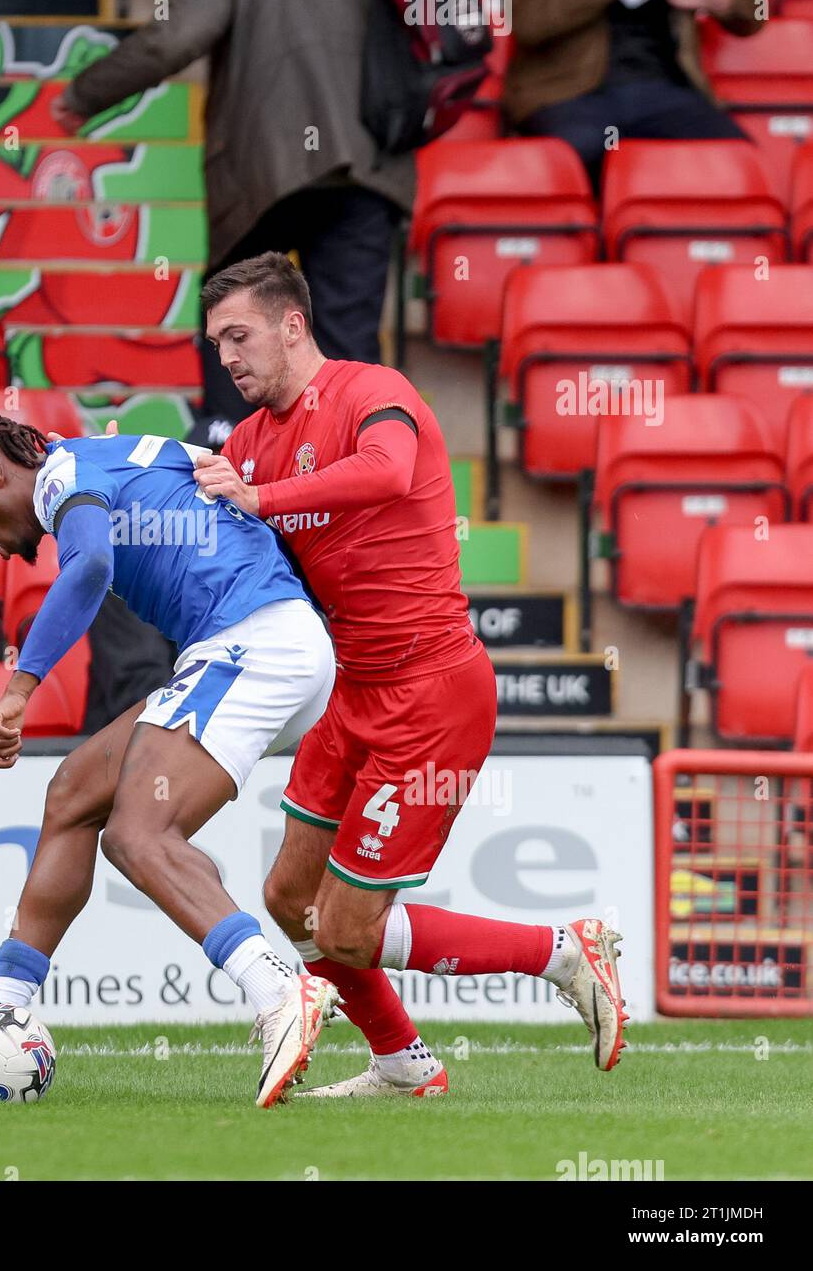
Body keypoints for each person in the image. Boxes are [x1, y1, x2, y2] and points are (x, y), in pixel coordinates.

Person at [192, 253, 627, 1095]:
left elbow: (389, 470)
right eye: (216, 344)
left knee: (350, 930)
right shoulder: (247, 444)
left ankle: (566, 953)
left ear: (293, 325)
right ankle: (402, 1064)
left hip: (433, 694)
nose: (228, 358)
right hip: (351, 689)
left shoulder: (370, 391)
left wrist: (260, 500)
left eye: (240, 336)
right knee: (289, 899)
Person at [0, 411, 337, 1107]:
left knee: (137, 834)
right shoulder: (98, 460)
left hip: (254, 641)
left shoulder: (64, 474)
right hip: (249, 642)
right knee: (73, 793)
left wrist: (19, 689)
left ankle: (278, 988)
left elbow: (90, 565)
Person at [49, 0, 411, 440]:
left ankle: (228, 470)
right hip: (368, 167)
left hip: (260, 173)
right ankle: (353, 489)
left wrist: (85, 94)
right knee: (349, 355)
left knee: (235, 326)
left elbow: (178, 37)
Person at [504, 0, 761, 191]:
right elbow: (526, 21)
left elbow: (757, 12)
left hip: (663, 91)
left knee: (734, 162)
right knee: (574, 157)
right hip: (567, 92)